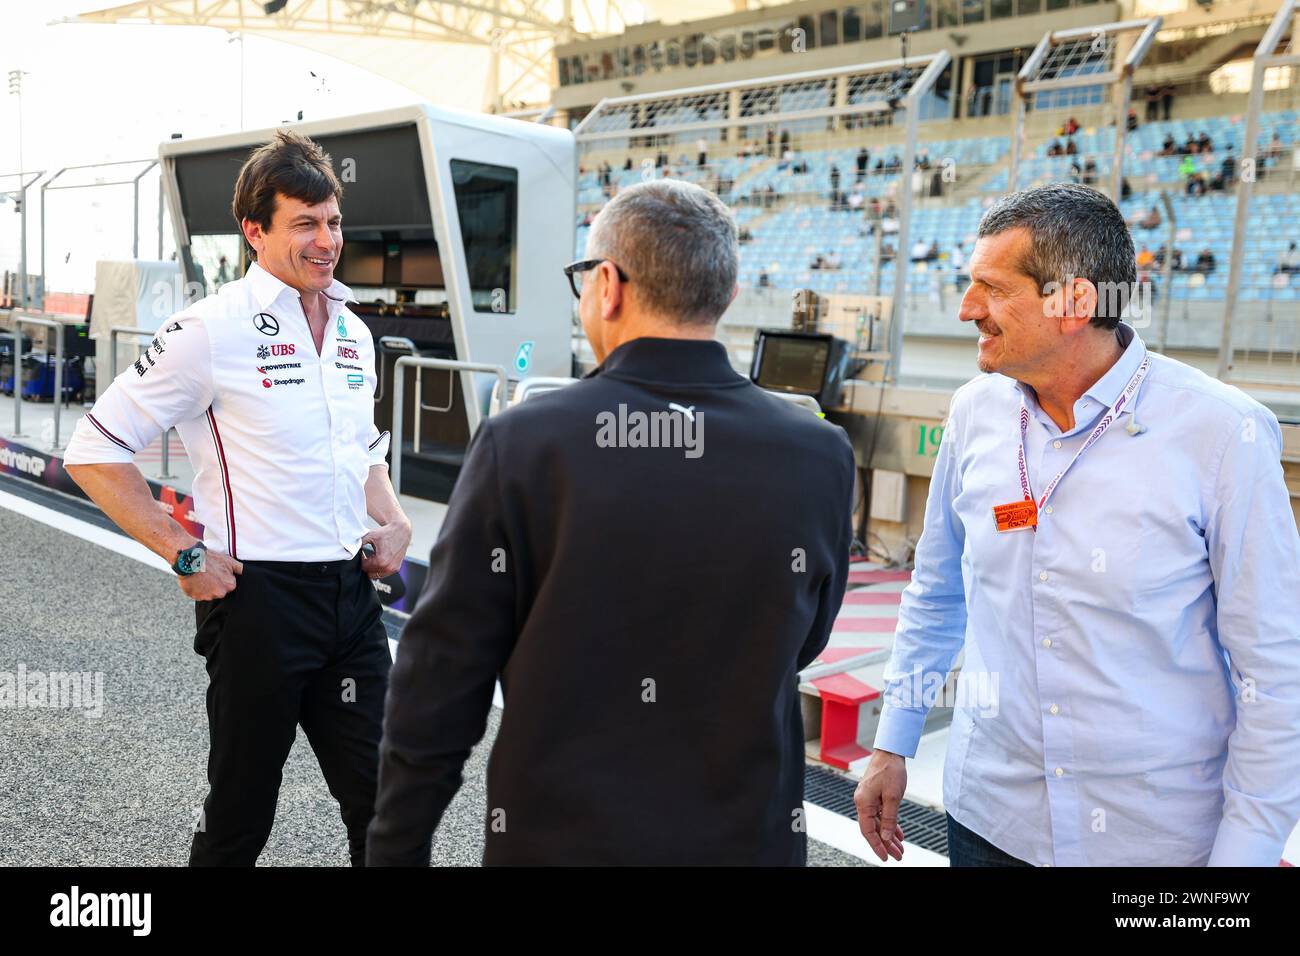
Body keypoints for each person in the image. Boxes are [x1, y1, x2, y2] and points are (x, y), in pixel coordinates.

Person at [366, 179, 855, 866]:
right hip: (751, 839)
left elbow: (442, 678)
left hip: (564, 839)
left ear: (608, 285)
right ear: (727, 297)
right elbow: (805, 639)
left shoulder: (527, 443)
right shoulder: (819, 452)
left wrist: (397, 847)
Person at [854, 182, 1300, 866]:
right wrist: (894, 740)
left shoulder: (1221, 434)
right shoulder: (974, 413)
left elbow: (1274, 669)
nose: (968, 308)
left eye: (991, 289)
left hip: (1154, 841)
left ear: (1076, 302)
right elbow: (938, 592)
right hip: (991, 818)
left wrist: (1246, 851)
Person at [63, 130, 411, 866]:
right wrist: (181, 549)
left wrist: (394, 516)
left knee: (388, 810)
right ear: (255, 230)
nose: (328, 240)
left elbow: (363, 448)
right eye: (306, 223)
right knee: (240, 818)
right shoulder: (208, 330)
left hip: (351, 601)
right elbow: (94, 449)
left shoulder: (353, 332)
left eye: (335, 221)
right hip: (260, 603)